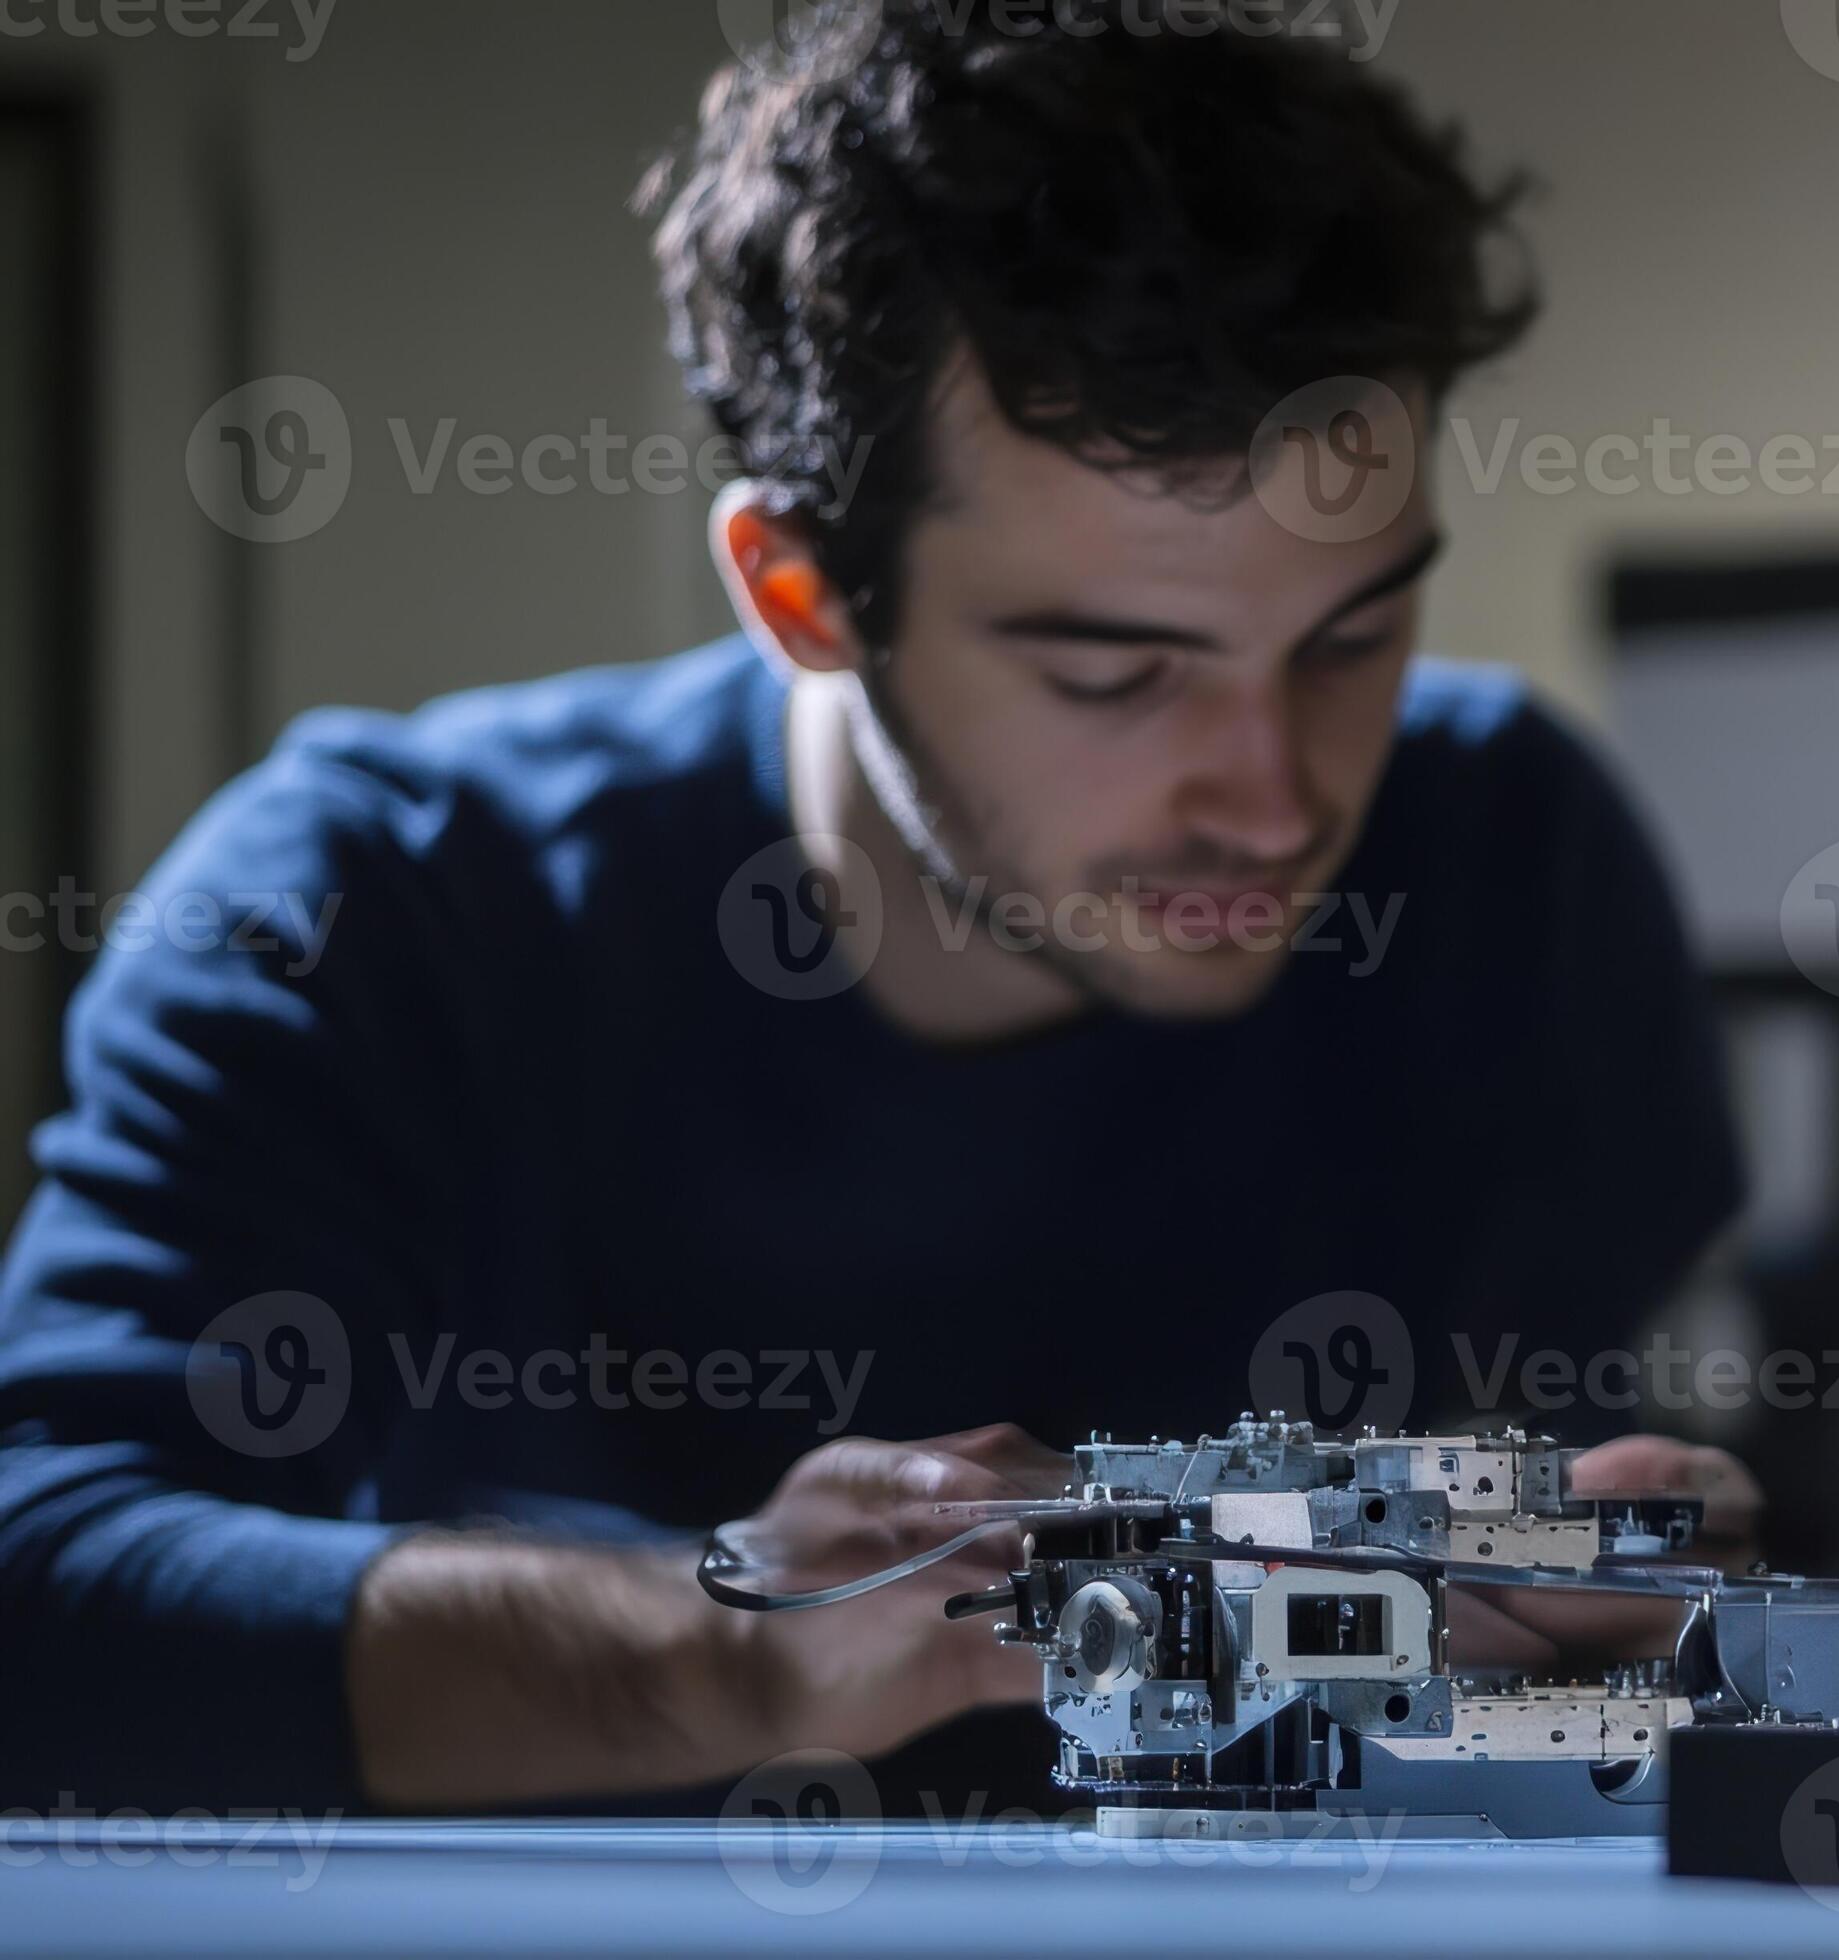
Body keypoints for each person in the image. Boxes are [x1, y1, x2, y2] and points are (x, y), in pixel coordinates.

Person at [0, 1, 1747, 1815]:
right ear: (802, 588)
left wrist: (1619, 1623)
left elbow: (1577, 1673)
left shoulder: (1509, 863)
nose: (1275, 795)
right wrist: (720, 1654)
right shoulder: (376, 907)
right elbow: (40, 1597)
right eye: (1112, 673)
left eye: (1352, 637)